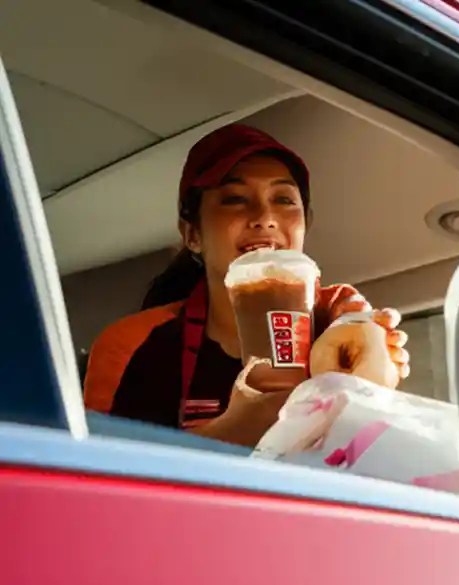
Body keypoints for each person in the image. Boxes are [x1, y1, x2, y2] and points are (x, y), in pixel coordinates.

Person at [83, 124, 409, 447]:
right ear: (192, 234)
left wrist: (371, 362)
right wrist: (237, 427)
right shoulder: (137, 346)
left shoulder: (333, 316)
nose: (265, 216)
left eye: (284, 199)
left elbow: (358, 333)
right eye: (235, 199)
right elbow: (110, 473)